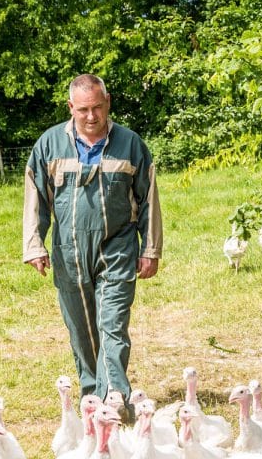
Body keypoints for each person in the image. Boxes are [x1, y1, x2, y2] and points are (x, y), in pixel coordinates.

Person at [22, 74, 162, 407]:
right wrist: (34, 244)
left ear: (108, 102)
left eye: (97, 107)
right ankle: (90, 394)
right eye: (83, 109)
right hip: (68, 252)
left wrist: (150, 249)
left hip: (117, 248)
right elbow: (36, 196)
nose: (90, 116)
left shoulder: (130, 144)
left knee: (111, 324)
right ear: (71, 107)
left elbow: (149, 198)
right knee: (82, 330)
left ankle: (113, 396)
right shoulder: (49, 144)